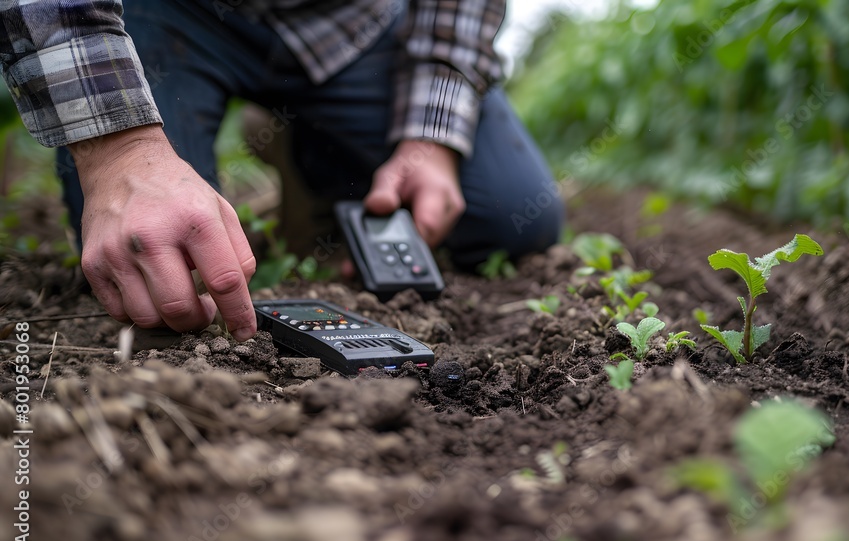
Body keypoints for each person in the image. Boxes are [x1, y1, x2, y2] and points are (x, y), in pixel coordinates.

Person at [0, 0, 563, 341]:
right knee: (164, 272)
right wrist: (119, 151)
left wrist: (431, 138)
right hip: (162, 17)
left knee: (513, 216)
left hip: (347, 25)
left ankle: (312, 148)